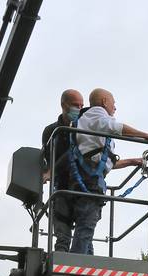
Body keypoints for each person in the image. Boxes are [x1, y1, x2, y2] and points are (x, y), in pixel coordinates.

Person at [67, 88, 148, 255]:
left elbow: (101, 161)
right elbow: (116, 127)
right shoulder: (97, 115)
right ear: (104, 101)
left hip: (85, 178)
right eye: (113, 103)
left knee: (88, 223)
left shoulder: (87, 121)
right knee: (86, 225)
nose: (115, 107)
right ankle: (76, 262)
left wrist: (132, 162)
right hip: (89, 181)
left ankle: (86, 262)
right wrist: (147, 137)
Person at [42, 89, 86, 252]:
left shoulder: (85, 129)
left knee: (84, 237)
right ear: (63, 105)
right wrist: (50, 172)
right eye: (76, 105)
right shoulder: (51, 131)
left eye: (82, 105)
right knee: (62, 236)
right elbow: (49, 159)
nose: (79, 109)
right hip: (61, 188)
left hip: (82, 187)